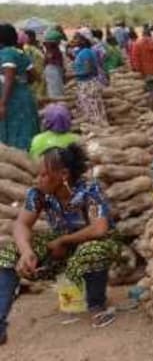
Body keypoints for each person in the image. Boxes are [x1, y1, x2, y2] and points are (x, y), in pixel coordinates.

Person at [0, 144, 120, 342]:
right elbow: (21, 224)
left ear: (63, 174)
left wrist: (64, 240)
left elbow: (99, 228)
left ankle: (97, 305)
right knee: (6, 254)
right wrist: (26, 251)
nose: (39, 180)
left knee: (93, 249)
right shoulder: (38, 194)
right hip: (61, 247)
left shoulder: (89, 190)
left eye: (44, 175)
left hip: (96, 243)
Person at [0, 25, 39, 151]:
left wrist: (3, 104)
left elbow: (9, 77)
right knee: (26, 129)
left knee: (14, 133)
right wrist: (22, 83)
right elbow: (35, 75)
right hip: (24, 96)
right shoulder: (19, 53)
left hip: (12, 100)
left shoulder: (5, 53)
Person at [72, 30, 108, 126]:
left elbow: (89, 69)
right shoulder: (83, 52)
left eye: (77, 38)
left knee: (93, 109)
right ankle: (98, 128)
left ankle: (98, 129)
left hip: (88, 84)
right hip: (86, 84)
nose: (74, 40)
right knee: (92, 108)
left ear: (84, 40)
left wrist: (74, 74)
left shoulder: (86, 52)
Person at [131, 26, 153, 110]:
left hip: (145, 70)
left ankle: (151, 107)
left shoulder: (137, 44)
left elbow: (135, 58)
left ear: (142, 34)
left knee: (150, 89)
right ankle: (152, 105)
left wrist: (138, 69)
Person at [21, 30, 45, 100]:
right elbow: (28, 64)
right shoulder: (26, 48)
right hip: (35, 78)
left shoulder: (34, 47)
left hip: (39, 78)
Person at [42, 28, 65, 98]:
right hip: (54, 74)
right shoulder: (54, 52)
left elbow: (46, 63)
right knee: (56, 92)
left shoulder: (51, 52)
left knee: (54, 93)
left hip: (54, 74)